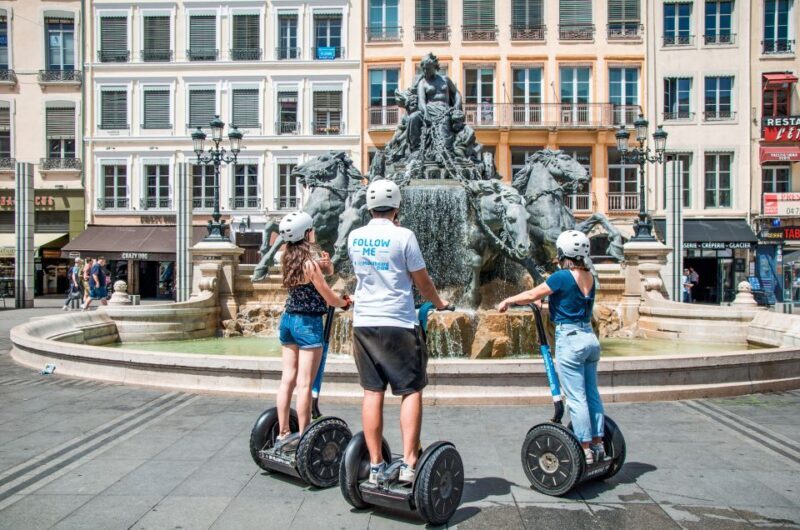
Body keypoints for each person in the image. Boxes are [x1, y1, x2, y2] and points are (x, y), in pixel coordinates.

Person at [347, 180, 450, 484]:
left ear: (369, 206)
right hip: (398, 323)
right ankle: (408, 463)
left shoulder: (355, 236)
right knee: (410, 390)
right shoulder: (404, 236)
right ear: (397, 206)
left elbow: (363, 275)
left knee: (372, 392)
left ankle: (376, 465)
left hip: (364, 322)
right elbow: (422, 281)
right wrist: (440, 303)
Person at [496, 230, 605, 465]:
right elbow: (562, 299)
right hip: (589, 337)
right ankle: (598, 444)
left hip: (571, 339)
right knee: (592, 394)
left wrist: (509, 300)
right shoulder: (589, 276)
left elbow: (532, 293)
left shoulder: (562, 276)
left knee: (576, 398)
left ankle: (584, 448)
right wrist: (542, 300)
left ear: (563, 252)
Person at [274, 212, 351, 450]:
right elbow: (327, 295)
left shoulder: (286, 257)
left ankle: (284, 431)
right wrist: (345, 302)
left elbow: (314, 270)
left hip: (288, 321)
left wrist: (326, 267)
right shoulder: (309, 264)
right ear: (306, 233)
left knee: (287, 379)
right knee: (305, 383)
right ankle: (305, 436)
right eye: (312, 229)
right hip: (308, 325)